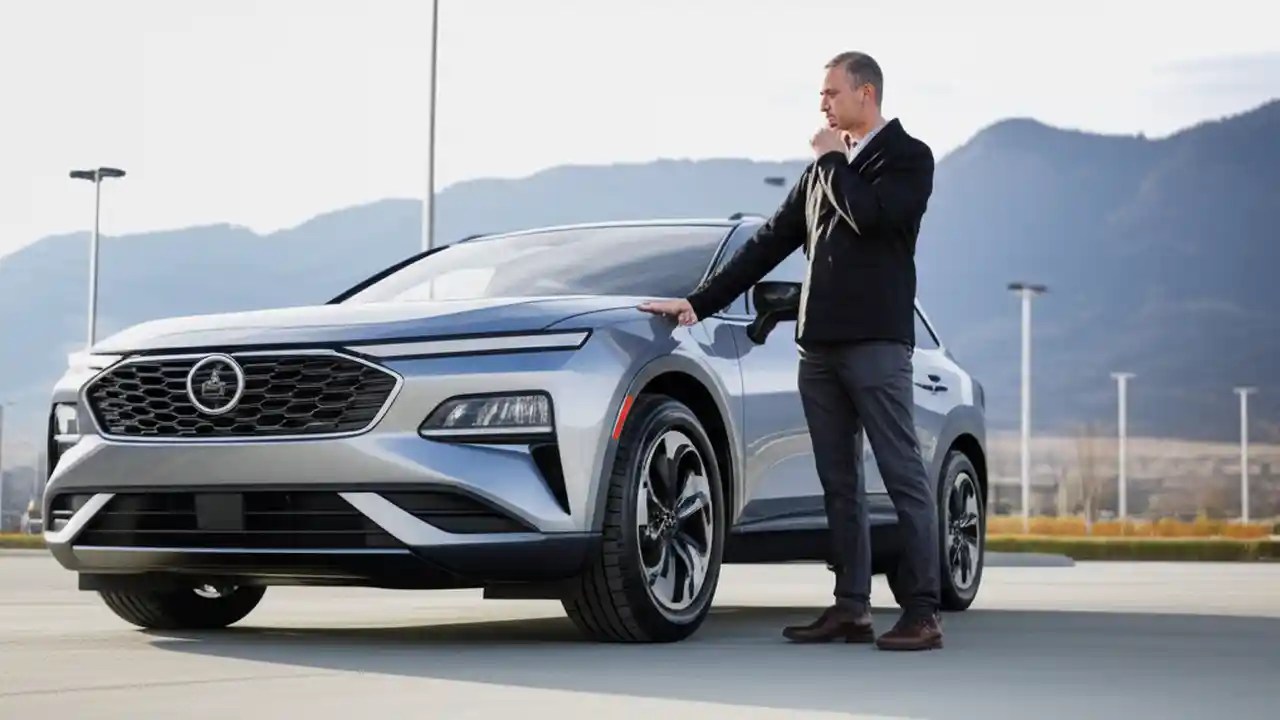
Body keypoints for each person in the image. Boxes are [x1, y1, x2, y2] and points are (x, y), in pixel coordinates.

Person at [638, 51, 942, 651]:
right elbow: (768, 244)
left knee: (903, 473)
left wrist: (830, 158)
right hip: (819, 348)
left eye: (831, 92)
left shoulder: (909, 158)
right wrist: (697, 301)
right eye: (821, 95)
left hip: (877, 342)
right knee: (838, 482)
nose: (822, 104)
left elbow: (870, 218)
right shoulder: (821, 175)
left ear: (866, 95)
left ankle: (923, 612)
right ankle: (851, 608)